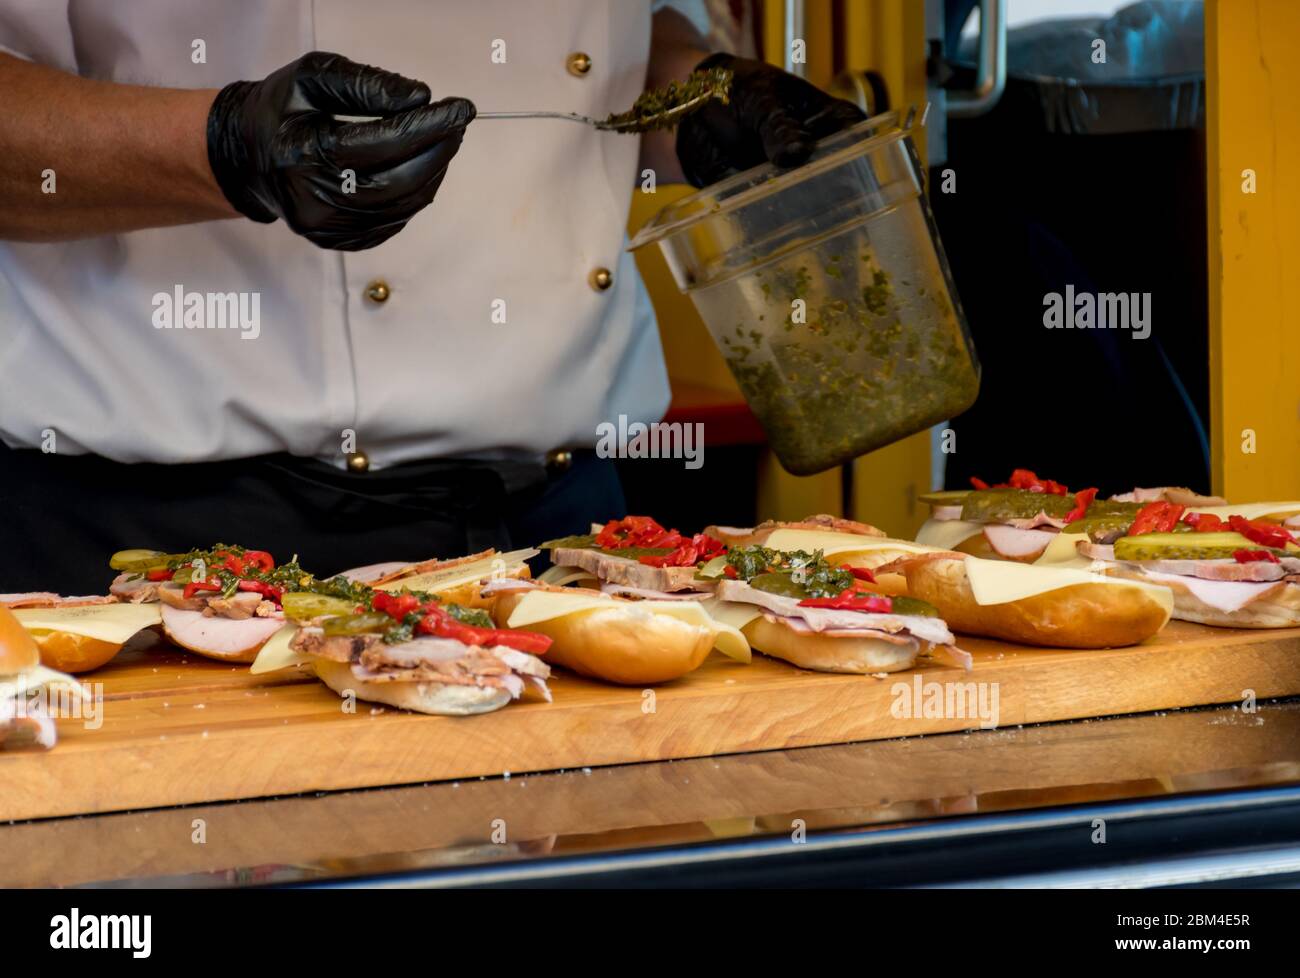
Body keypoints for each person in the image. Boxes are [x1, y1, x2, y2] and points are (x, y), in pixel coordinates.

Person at [0, 1, 864, 593]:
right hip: (177, 546)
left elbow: (625, 42)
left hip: (567, 537)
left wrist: (702, 96)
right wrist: (223, 148)